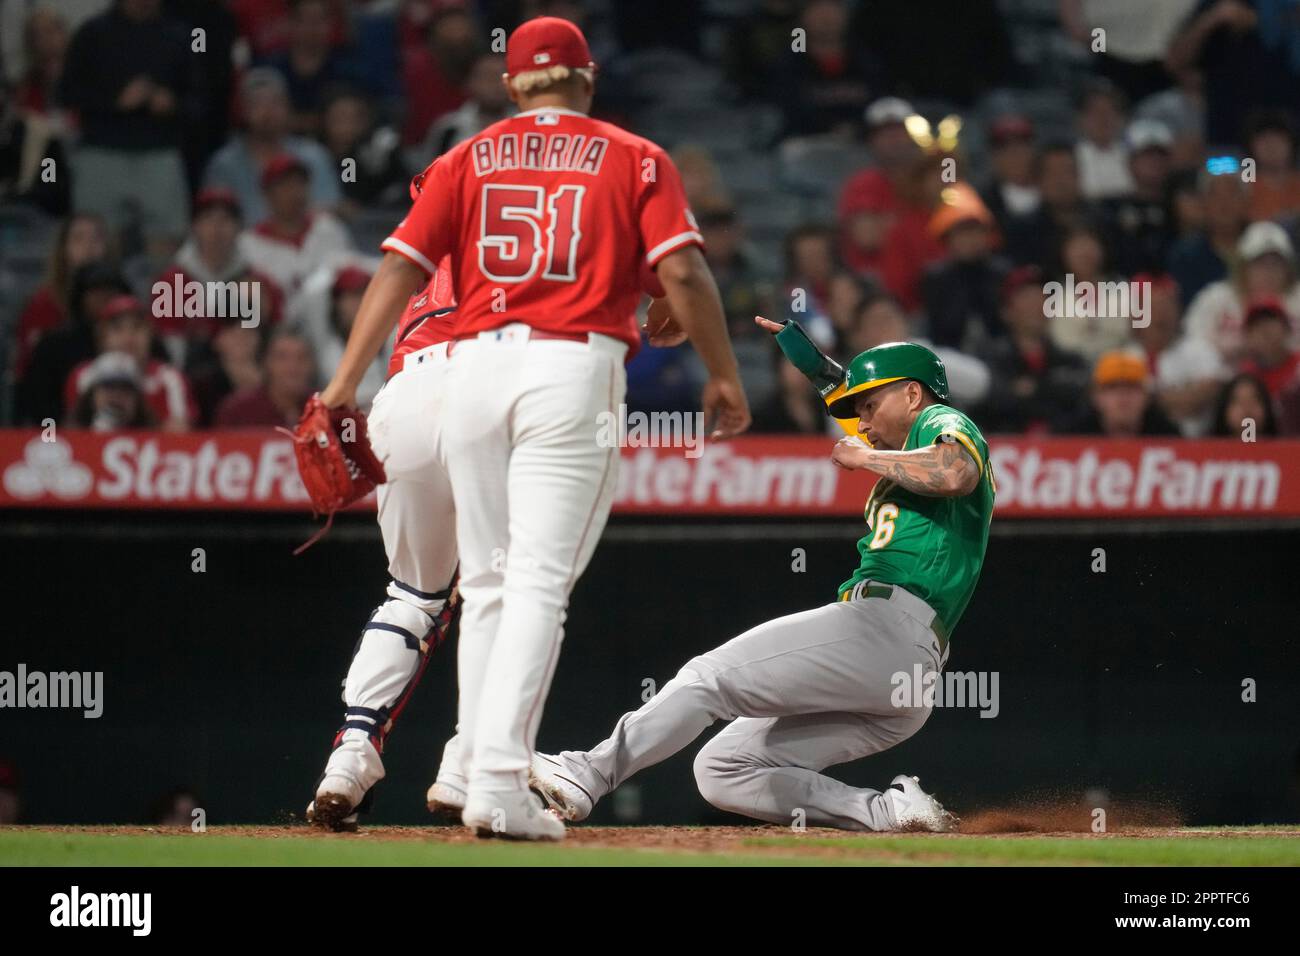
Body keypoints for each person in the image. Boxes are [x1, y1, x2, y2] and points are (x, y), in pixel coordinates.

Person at [313, 17, 749, 841]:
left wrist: (341, 383)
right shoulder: (632, 154)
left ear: (511, 87)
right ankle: (495, 781)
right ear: (587, 78)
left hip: (453, 374)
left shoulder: (463, 160)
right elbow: (682, 267)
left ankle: (430, 761)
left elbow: (400, 263)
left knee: (464, 589)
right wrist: (722, 372)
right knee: (535, 590)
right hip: (565, 369)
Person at [532, 339, 992, 833]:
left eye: (871, 406)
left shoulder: (941, 422)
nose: (864, 424)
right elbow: (876, 411)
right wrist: (820, 370)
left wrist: (864, 459)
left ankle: (590, 773)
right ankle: (890, 812)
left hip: (887, 629)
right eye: (858, 410)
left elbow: (954, 471)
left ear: (915, 394)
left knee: (706, 679)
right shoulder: (904, 433)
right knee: (722, 770)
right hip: (903, 673)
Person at [58, 0, 198, 254]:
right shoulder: (91, 32)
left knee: (167, 246)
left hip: (160, 153)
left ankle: (163, 295)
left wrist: (172, 103)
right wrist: (115, 101)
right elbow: (67, 92)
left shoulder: (184, 36)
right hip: (101, 153)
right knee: (97, 245)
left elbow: (201, 99)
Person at [203, 68, 340, 222]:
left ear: (288, 107)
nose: (267, 112)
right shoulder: (224, 164)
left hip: (305, 242)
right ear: (244, 112)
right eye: (257, 104)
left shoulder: (313, 155)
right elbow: (214, 219)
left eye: (275, 103)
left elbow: (327, 211)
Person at [975, 266, 1090, 434]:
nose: (1036, 306)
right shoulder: (987, 359)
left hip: (1062, 452)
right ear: (1006, 311)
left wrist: (1031, 390)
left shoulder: (1072, 360)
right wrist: (1050, 392)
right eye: (1026, 299)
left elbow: (1080, 403)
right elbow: (989, 401)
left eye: (1042, 298)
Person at [63, 294, 194, 431]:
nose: (128, 338)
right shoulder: (83, 375)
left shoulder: (170, 378)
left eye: (137, 327)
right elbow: (74, 431)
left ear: (150, 335)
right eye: (117, 329)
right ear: (102, 337)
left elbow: (181, 433)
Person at [1183, 220, 1300, 361]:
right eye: (1260, 263)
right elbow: (1191, 345)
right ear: (1242, 267)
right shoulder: (1215, 298)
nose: (1269, 271)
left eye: (1276, 263)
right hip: (1225, 377)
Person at [239, 152, 352, 296]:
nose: (295, 192)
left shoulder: (330, 228)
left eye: (300, 183)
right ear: (267, 193)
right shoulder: (247, 245)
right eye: (285, 185)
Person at [14, 213, 112, 378]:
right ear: (63, 249)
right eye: (78, 239)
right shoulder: (43, 303)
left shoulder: (117, 297)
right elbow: (29, 368)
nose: (89, 246)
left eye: (96, 239)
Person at [214, 325, 315, 427]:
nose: (293, 367)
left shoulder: (324, 409)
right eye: (282, 358)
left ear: (312, 365)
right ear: (266, 363)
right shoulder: (237, 411)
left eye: (301, 358)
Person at [1067, 350, 1181, 436]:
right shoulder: (1072, 437)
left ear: (1147, 396)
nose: (1123, 394)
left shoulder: (1168, 437)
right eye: (1112, 387)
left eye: (1132, 386)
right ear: (1096, 396)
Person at [67, 350, 157, 430]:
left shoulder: (155, 441)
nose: (117, 395)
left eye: (125, 388)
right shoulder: (66, 439)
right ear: (91, 394)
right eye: (109, 386)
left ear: (137, 400)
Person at [1237, 297, 1300, 396]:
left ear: (1287, 329)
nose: (1264, 329)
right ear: (1248, 337)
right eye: (1256, 325)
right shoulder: (1245, 375)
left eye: (1271, 321)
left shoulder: (1298, 365)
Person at [1211, 371, 1279, 437]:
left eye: (1254, 400)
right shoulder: (1207, 446)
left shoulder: (1283, 445)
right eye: (1238, 401)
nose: (1247, 408)